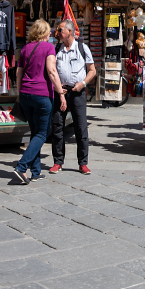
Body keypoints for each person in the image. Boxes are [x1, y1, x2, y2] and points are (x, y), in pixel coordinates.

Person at [10, 20, 59, 185]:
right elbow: (51, 70)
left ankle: (36, 172)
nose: (51, 34)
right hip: (42, 95)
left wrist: (19, 93)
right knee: (42, 134)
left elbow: (19, 73)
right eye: (49, 31)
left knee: (35, 132)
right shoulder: (49, 48)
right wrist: (60, 91)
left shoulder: (25, 48)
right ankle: (22, 167)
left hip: (25, 94)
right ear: (44, 32)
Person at [48, 21, 96, 174]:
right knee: (57, 127)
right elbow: (51, 70)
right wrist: (56, 88)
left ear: (69, 31)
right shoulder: (57, 49)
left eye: (60, 30)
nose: (57, 32)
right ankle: (58, 161)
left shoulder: (82, 48)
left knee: (81, 127)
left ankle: (83, 163)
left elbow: (92, 70)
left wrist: (83, 84)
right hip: (61, 92)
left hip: (77, 92)